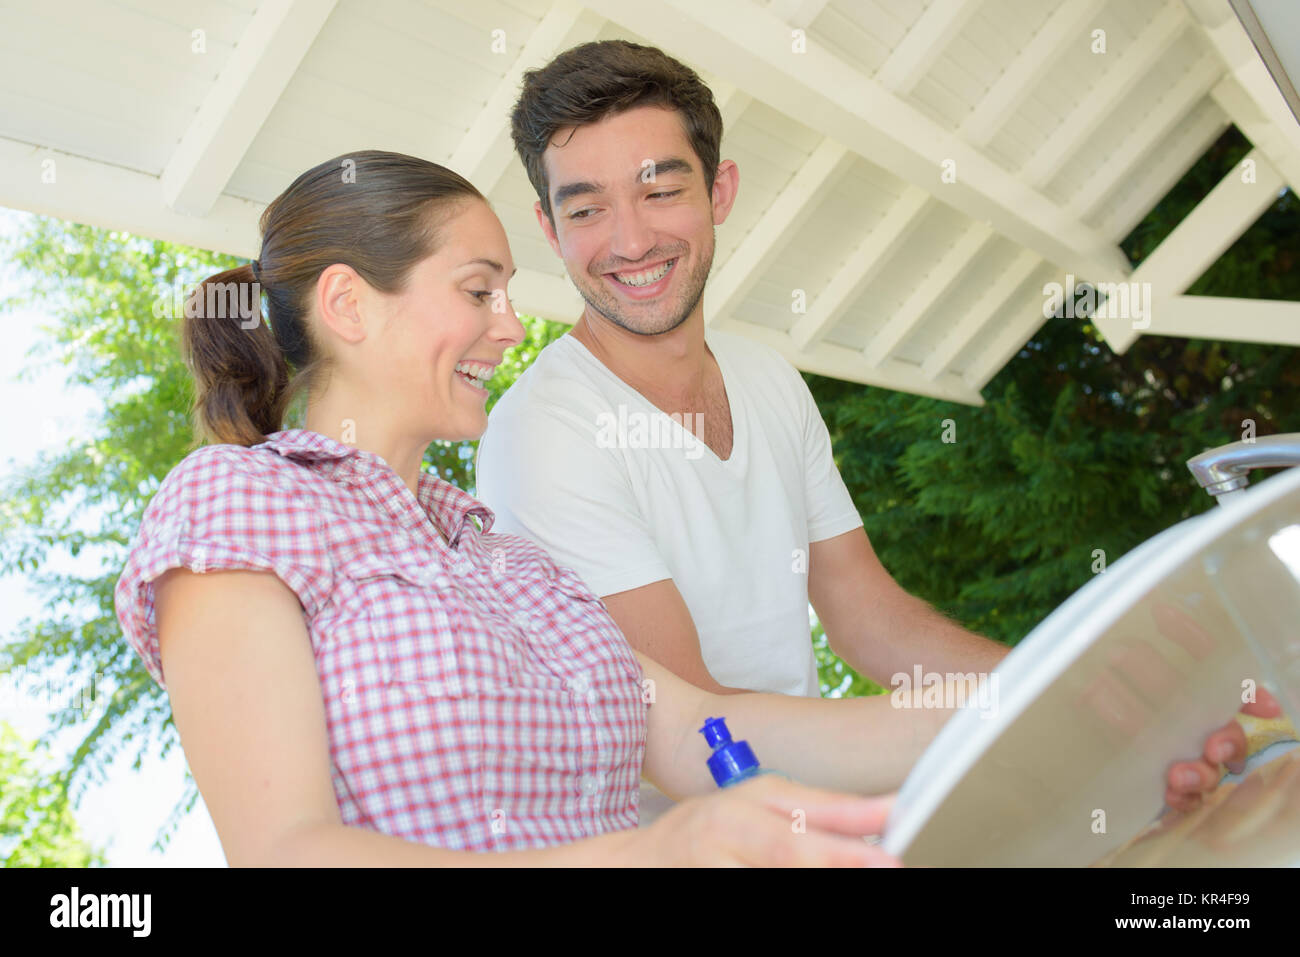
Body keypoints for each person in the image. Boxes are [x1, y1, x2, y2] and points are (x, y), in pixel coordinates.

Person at [472, 40, 1272, 825]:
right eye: (586, 208)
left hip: (815, 818)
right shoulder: (544, 434)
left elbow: (868, 614)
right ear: (549, 229)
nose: (630, 240)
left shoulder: (767, 378)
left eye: (659, 190)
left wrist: (1078, 692)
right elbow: (695, 733)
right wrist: (1053, 728)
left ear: (720, 191)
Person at [113, 148, 950, 866]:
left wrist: (997, 703)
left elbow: (704, 731)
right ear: (348, 305)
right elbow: (289, 851)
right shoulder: (238, 504)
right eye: (479, 292)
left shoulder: (507, 560)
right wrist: (652, 851)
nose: (512, 328)